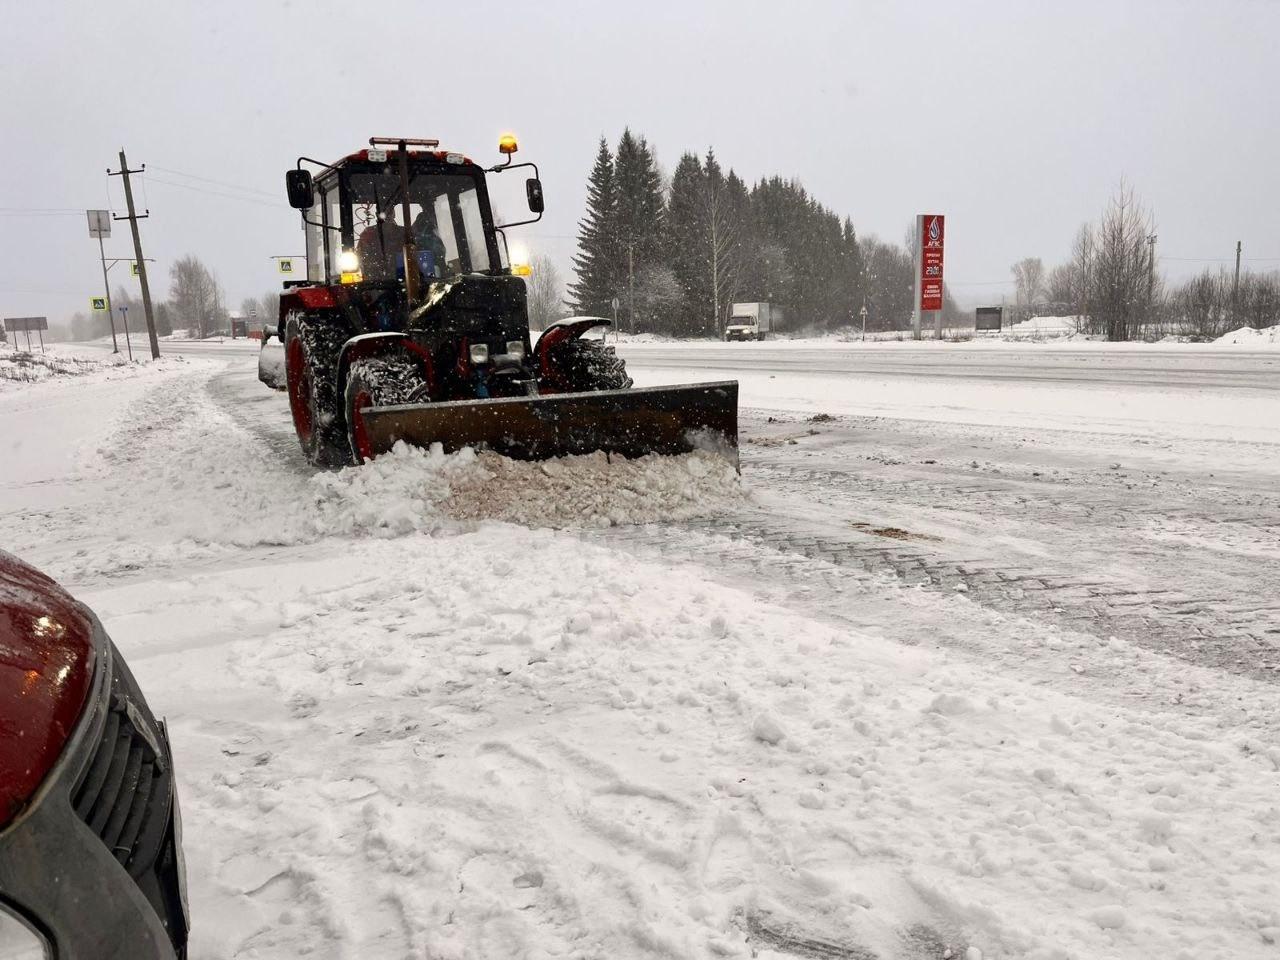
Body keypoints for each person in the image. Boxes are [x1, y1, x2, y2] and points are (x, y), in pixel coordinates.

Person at [356, 202, 405, 281]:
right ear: (376, 214)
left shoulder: (404, 233)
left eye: (390, 211)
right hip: (375, 282)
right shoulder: (368, 233)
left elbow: (416, 254)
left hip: (403, 279)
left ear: (394, 213)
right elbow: (361, 257)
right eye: (384, 212)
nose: (387, 214)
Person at [411, 207, 449, 279]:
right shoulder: (429, 229)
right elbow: (439, 251)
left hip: (423, 272)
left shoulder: (415, 232)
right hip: (432, 269)